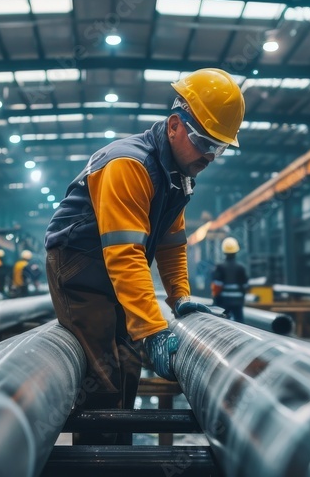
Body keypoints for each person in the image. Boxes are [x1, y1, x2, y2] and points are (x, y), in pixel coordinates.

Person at [44, 68, 244, 444]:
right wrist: (153, 328)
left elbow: (171, 243)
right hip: (79, 266)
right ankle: (97, 462)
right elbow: (124, 254)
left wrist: (179, 297)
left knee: (129, 363)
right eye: (204, 141)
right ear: (174, 125)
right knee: (102, 368)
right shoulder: (130, 165)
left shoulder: (176, 176)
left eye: (218, 147)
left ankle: (119, 449)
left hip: (112, 266)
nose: (210, 156)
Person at [210, 237, 249, 323]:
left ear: (224, 251)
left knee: (223, 324)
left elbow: (217, 286)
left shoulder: (220, 267)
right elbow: (245, 286)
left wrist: (215, 299)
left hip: (224, 302)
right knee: (240, 323)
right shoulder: (241, 268)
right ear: (236, 251)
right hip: (238, 302)